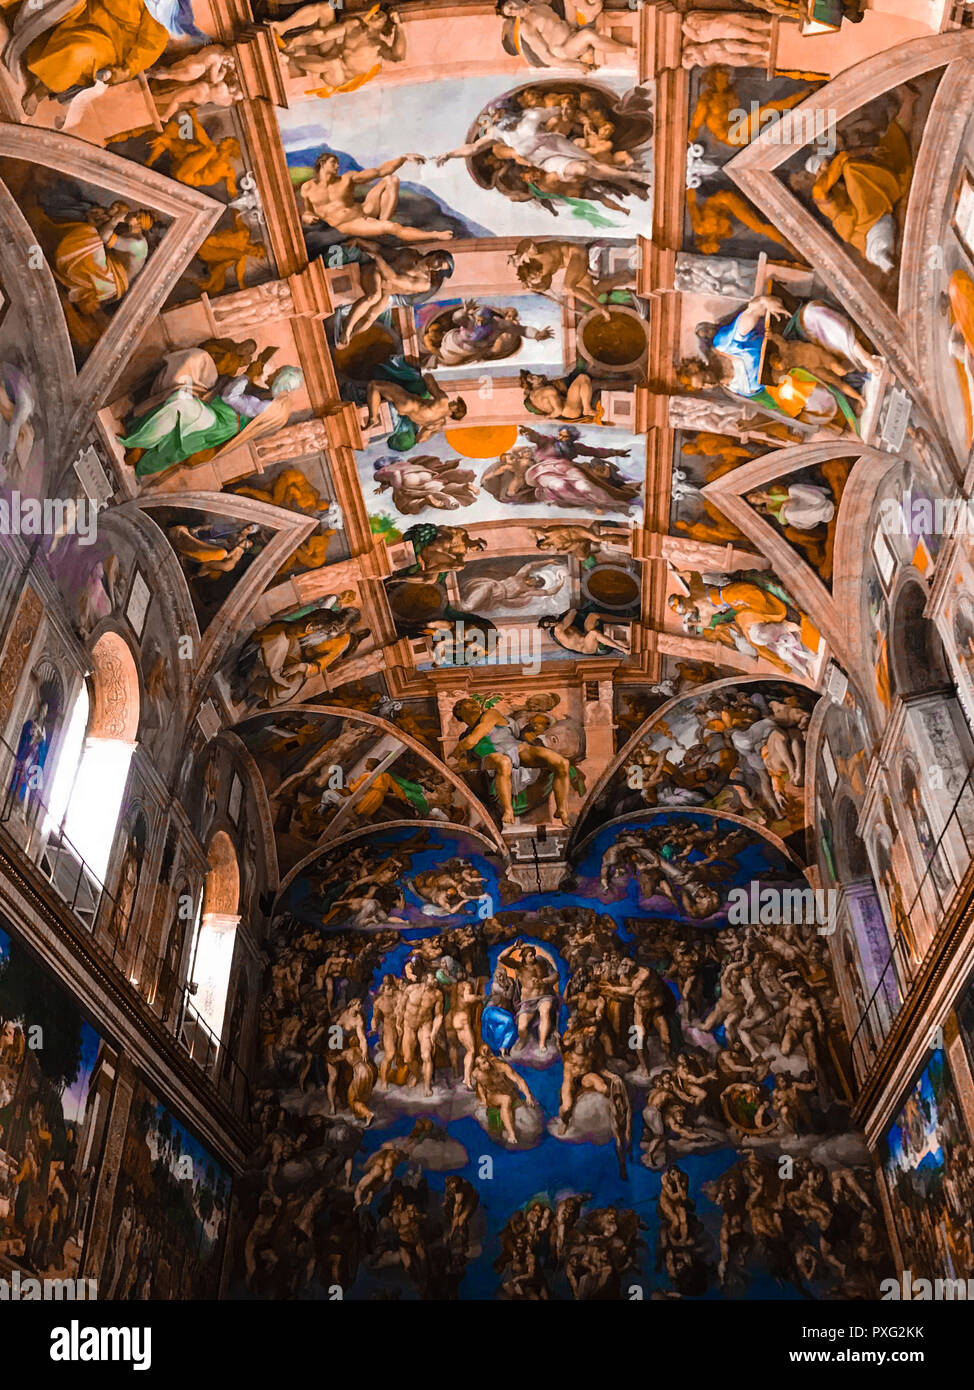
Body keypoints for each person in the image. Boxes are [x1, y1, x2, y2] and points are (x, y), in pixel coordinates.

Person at [299, 152, 453, 243]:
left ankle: (383, 220)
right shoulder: (307, 188)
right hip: (350, 223)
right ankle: (434, 235)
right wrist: (307, 216)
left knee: (391, 179)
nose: (338, 166)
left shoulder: (347, 179)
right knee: (392, 227)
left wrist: (403, 158)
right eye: (334, 163)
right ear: (322, 163)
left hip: (364, 209)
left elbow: (379, 171)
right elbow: (308, 211)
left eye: (338, 163)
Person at [335, 245, 454, 349]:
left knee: (372, 316)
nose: (437, 267)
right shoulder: (411, 253)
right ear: (437, 255)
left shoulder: (424, 283)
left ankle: (350, 337)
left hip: (386, 289)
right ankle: (347, 329)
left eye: (440, 268)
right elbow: (384, 251)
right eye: (439, 262)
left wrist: (378, 258)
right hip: (375, 272)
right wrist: (360, 242)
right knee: (373, 296)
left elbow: (394, 279)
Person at [498, 0, 635, 70]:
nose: (515, 10)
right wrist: (578, 66)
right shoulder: (526, 27)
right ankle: (626, 50)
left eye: (511, 6)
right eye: (511, 12)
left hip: (569, 26)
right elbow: (547, 58)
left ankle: (589, 11)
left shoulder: (535, 3)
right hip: (564, 47)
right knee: (588, 35)